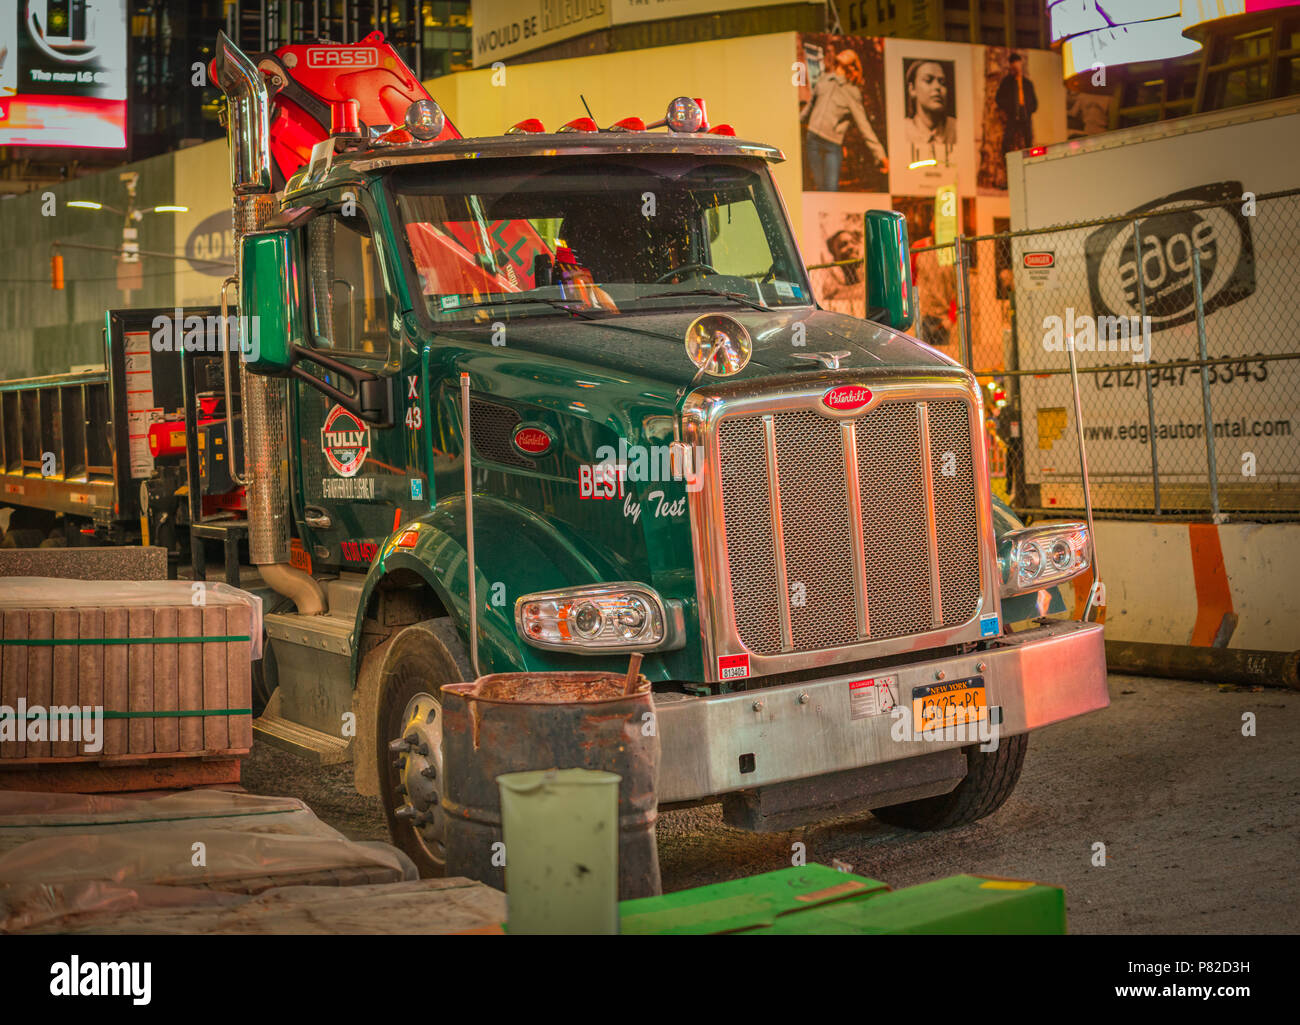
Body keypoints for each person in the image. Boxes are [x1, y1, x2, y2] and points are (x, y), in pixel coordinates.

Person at [801, 49, 889, 192]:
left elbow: (863, 125)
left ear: (852, 64)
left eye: (848, 54)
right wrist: (792, 121)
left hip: (832, 145)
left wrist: (880, 155)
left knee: (830, 190)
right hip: (813, 140)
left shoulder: (852, 91)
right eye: (843, 52)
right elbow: (809, 108)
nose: (843, 54)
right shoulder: (824, 79)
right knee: (818, 187)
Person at [903, 59, 957, 168]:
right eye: (928, 80)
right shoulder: (902, 130)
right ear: (912, 89)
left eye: (942, 82)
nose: (937, 87)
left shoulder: (957, 129)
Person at [996, 53, 1038, 154]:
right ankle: (1008, 165)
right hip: (1013, 116)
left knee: (1028, 142)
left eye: (1017, 64)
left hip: (1025, 116)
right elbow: (999, 98)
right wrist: (1009, 108)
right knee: (1007, 142)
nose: (1016, 67)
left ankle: (1029, 163)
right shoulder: (1007, 82)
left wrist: (1028, 110)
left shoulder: (1027, 83)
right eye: (1014, 65)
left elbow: (1035, 102)